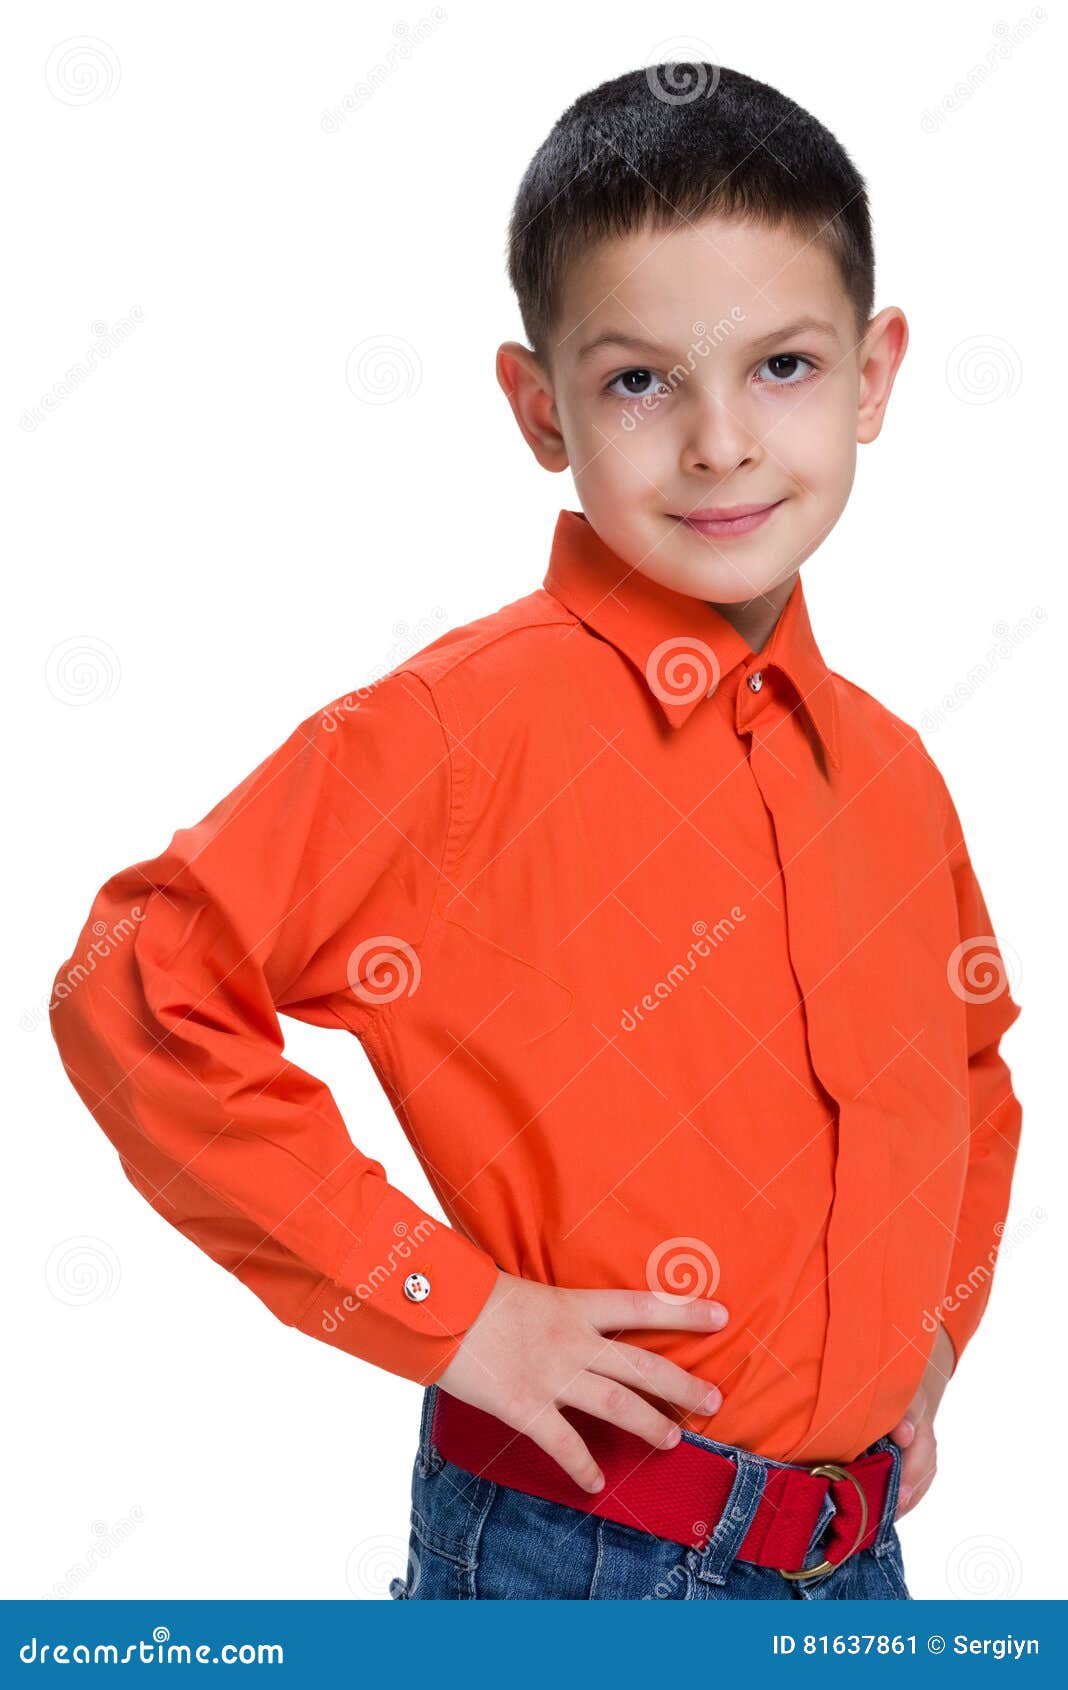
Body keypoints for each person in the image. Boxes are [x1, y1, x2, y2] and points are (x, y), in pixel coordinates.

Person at [49, 62, 1023, 1601]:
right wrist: (454, 1307)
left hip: (860, 1566)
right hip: (584, 1560)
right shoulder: (460, 730)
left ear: (875, 376)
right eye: (641, 380)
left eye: (782, 364)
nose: (719, 443)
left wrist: (933, 1342)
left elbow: (969, 1082)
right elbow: (135, 981)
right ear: (538, 406)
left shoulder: (892, 771)